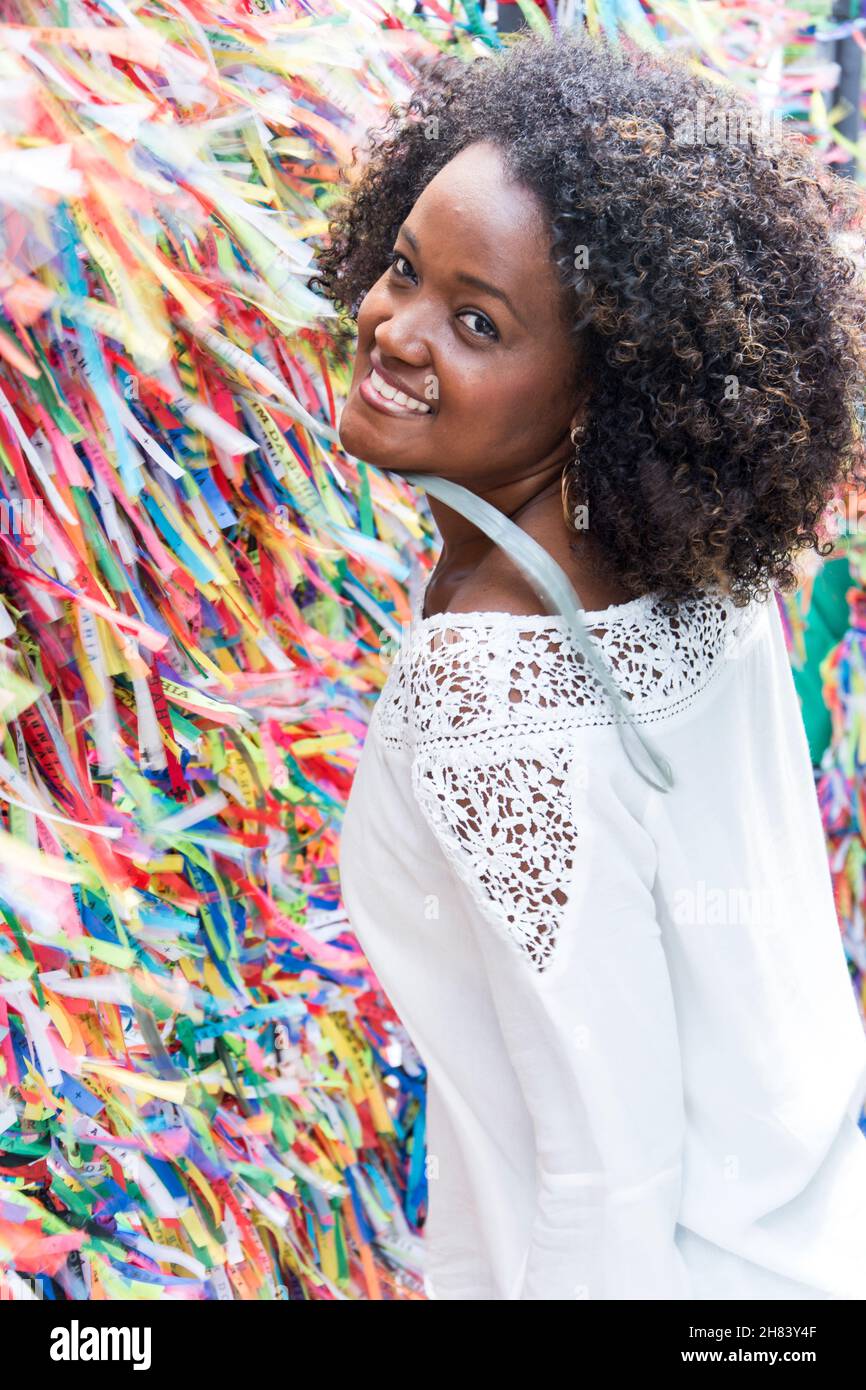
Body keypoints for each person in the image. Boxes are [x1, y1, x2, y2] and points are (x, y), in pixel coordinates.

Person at [312, 30, 866, 1299]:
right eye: (402, 268)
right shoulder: (689, 563)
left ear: (593, 390)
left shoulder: (488, 698)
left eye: (475, 318)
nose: (393, 328)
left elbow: (605, 1184)